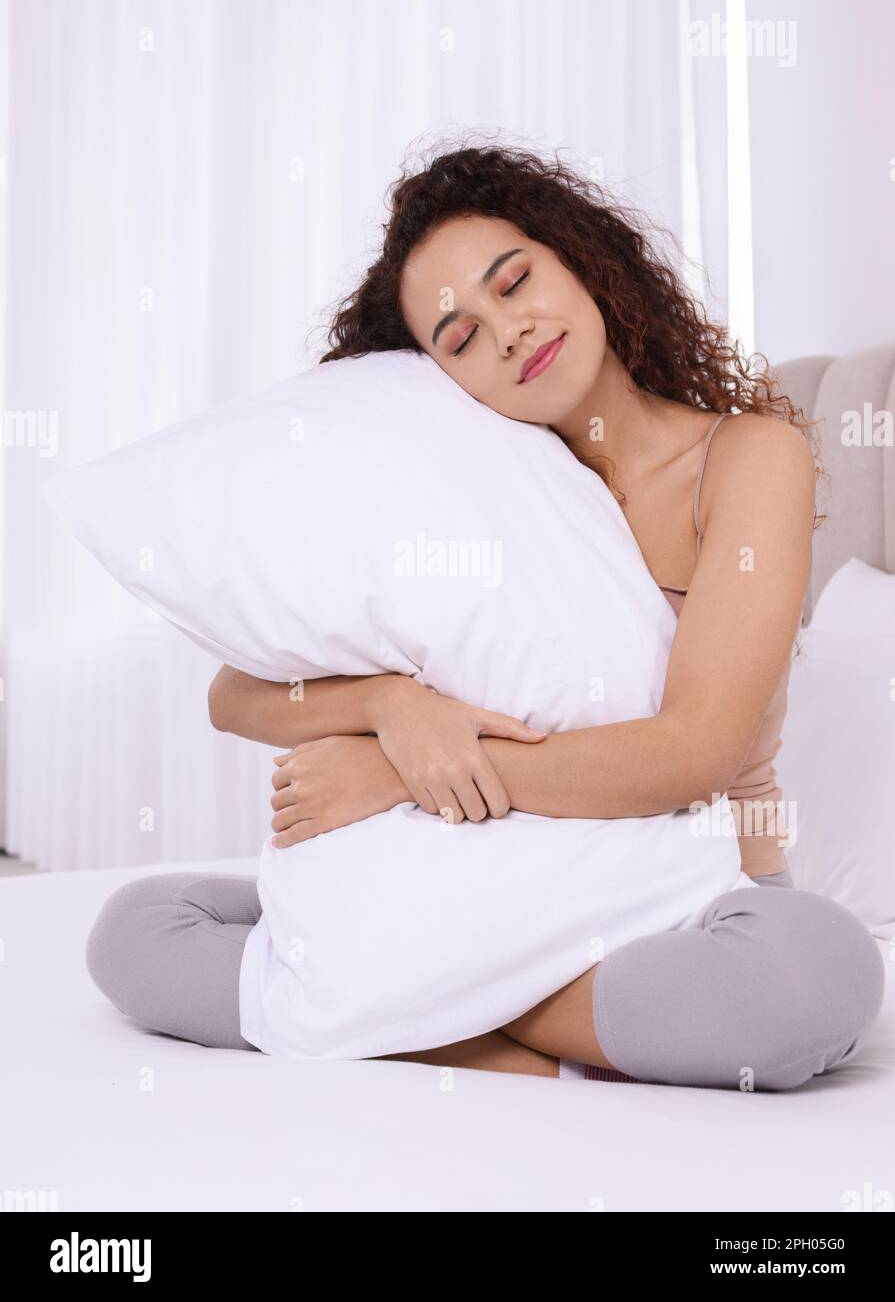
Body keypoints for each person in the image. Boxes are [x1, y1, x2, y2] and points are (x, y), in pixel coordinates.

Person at [86, 143, 885, 1089]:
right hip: (484, 892)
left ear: (584, 260)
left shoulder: (748, 457)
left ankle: (435, 1017)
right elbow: (236, 696)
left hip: (688, 906)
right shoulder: (478, 497)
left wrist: (397, 773)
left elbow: (695, 754)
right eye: (458, 339)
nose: (506, 332)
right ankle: (485, 1022)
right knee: (135, 928)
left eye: (514, 283)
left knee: (811, 979)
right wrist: (390, 704)